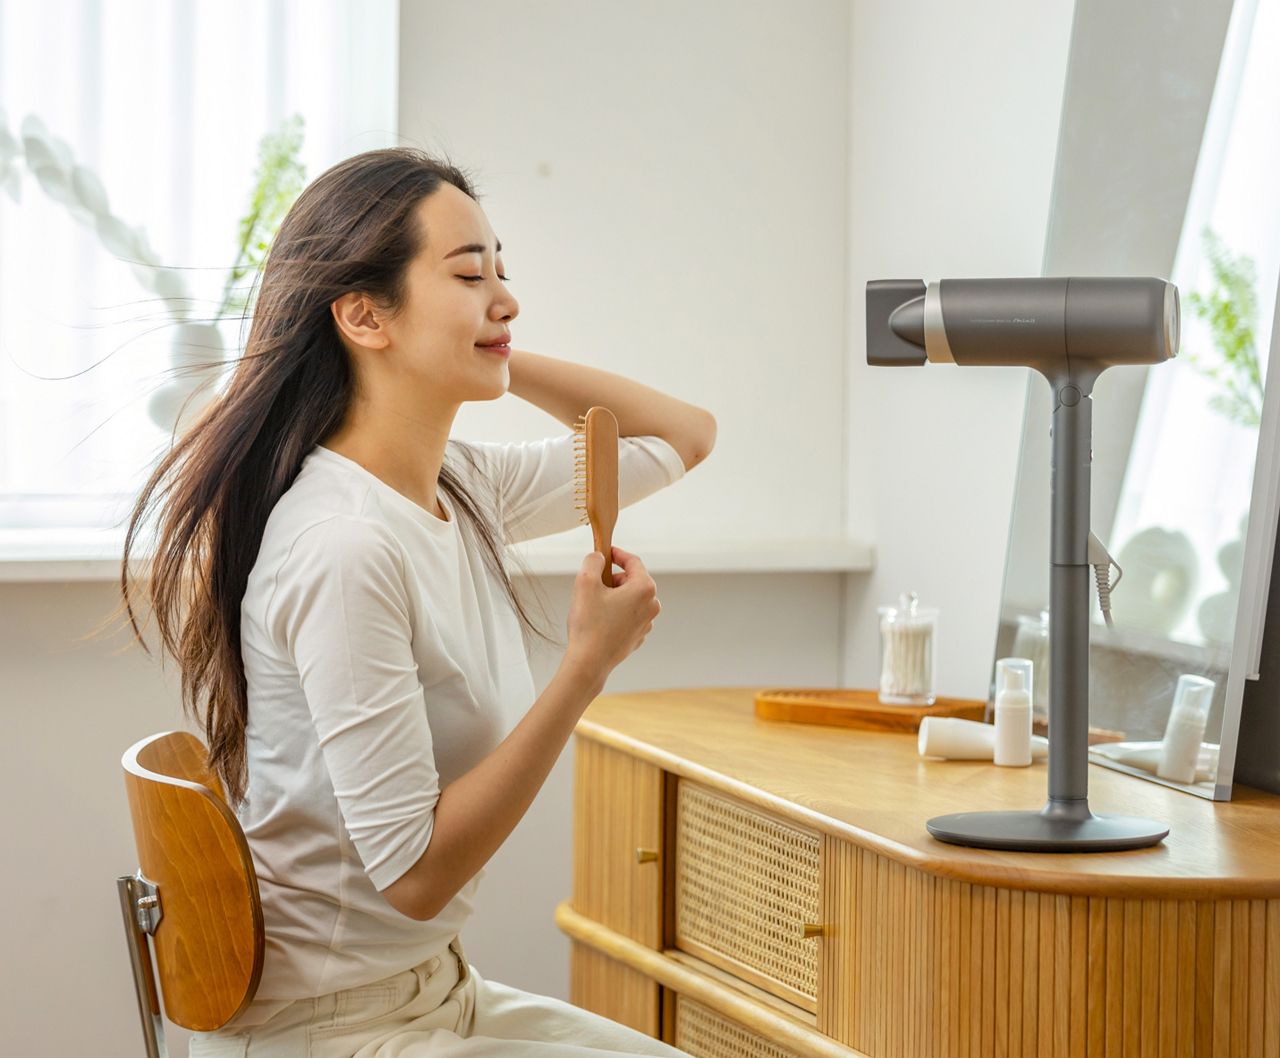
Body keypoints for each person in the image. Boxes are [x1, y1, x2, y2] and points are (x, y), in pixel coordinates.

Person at [123, 149, 716, 1057]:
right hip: (327, 1030)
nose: (507, 297)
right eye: (470, 274)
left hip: (440, 992)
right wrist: (584, 668)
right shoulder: (344, 546)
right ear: (364, 315)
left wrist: (493, 348)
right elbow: (412, 877)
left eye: (503, 271)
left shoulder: (457, 482)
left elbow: (682, 435)